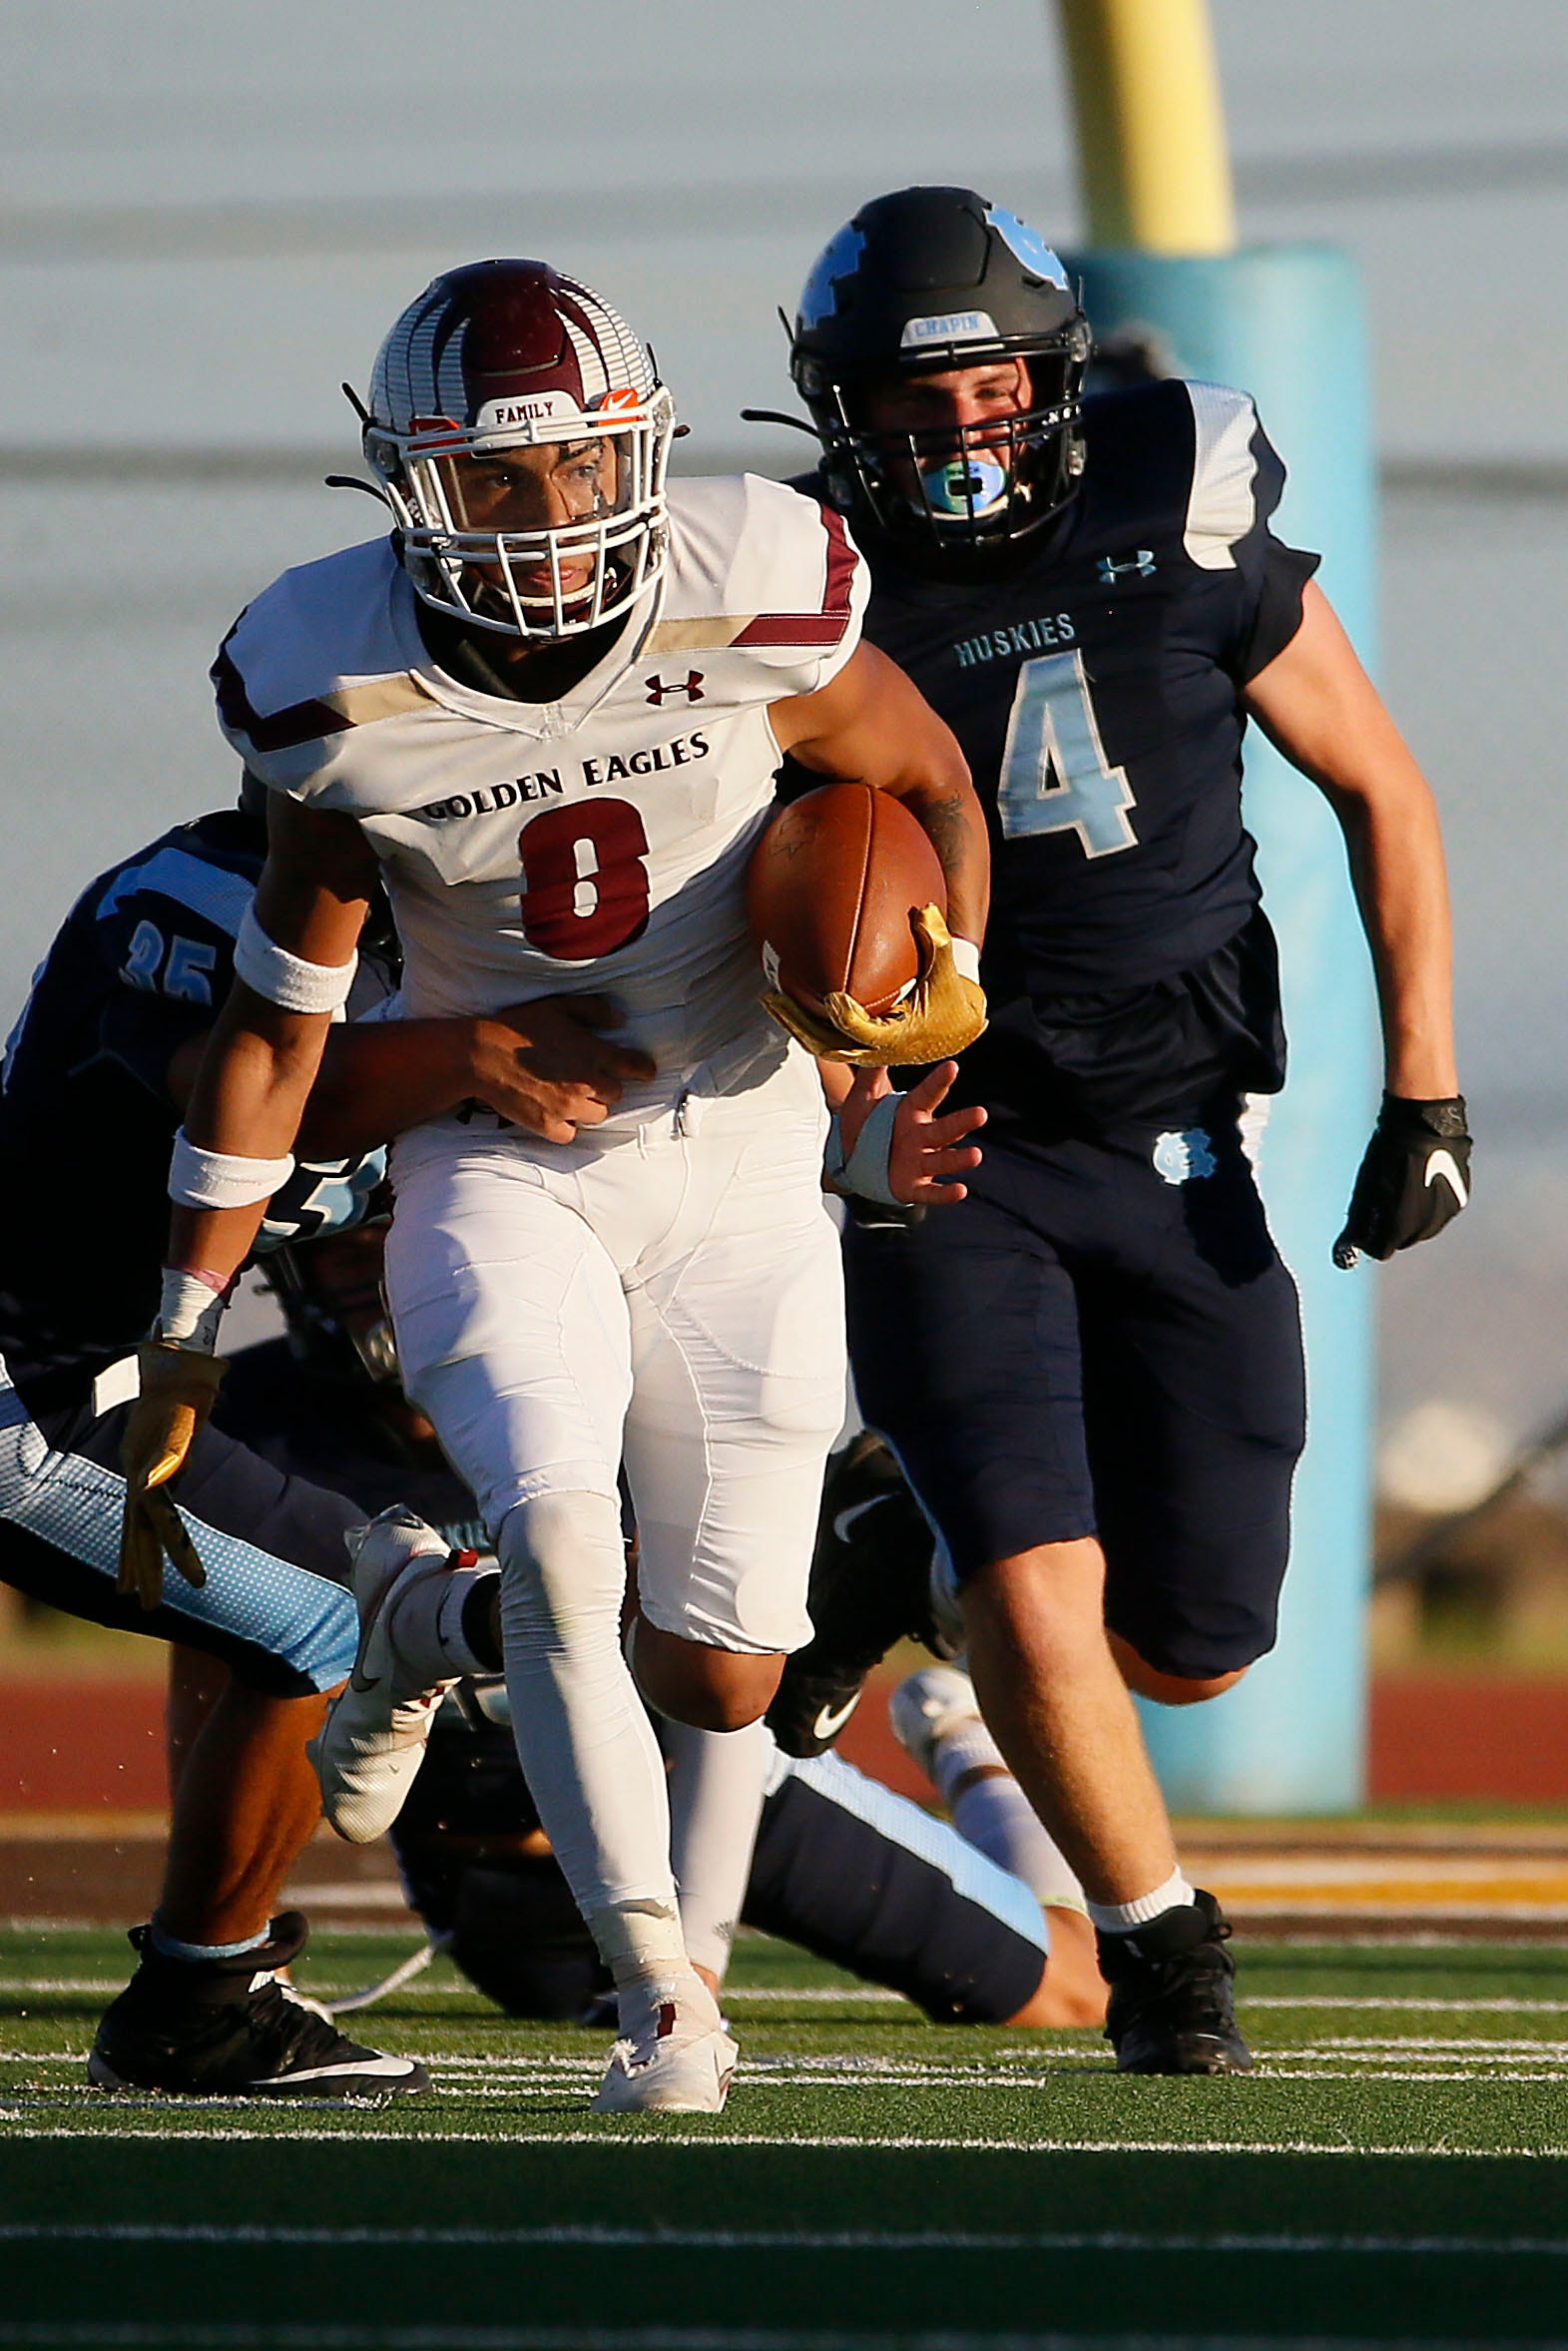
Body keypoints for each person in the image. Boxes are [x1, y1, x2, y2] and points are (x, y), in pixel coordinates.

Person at [122, 258, 991, 2113]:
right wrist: (188, 1316)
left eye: (578, 466)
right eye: (494, 477)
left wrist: (930, 1000)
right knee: (560, 1540)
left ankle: (411, 1640)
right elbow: (274, 1032)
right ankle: (661, 1994)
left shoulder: (752, 578)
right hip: (503, 1169)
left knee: (725, 1679)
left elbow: (926, 784)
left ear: (639, 451)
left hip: (743, 1156)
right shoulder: (336, 682)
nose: (544, 515)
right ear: (412, 483)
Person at [762, 186, 1470, 2073]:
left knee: (1194, 1647)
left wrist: (1424, 1089)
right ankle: (1162, 1949)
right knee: (1034, 1578)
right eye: (910, 407)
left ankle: (887, 1552)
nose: (956, 435)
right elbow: (754, 921)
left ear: (1056, 380)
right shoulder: (796, 586)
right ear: (843, 413)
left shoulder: (1179, 485)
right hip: (953, 1143)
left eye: (989, 392)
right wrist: (844, 1126)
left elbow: (1381, 788)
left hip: (1179, 1135)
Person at [224, 1234, 1105, 2033]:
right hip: (485, 1859)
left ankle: (965, 1748)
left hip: (701, 1785)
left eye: (396, 1245)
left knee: (1074, 1992)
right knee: (554, 2005)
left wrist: (693, 1963)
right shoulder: (259, 1419)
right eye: (351, 1256)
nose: (384, 1283)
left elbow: (719, 1701)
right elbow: (239, 1677)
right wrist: (240, 1933)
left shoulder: (601, 1388)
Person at [0, 801, 430, 2096]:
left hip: (78, 1377)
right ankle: (198, 2004)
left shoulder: (418, 934)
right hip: (32, 1383)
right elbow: (256, 1085)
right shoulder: (204, 894)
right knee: (349, 1608)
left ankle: (204, 1994)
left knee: (350, 1599)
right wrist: (481, 1053)